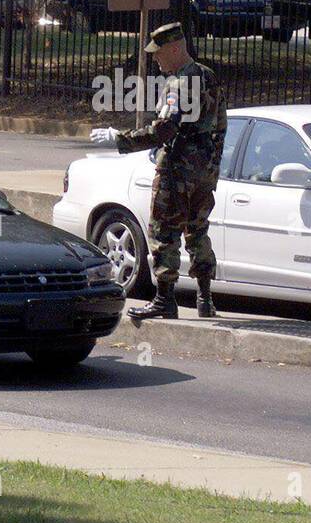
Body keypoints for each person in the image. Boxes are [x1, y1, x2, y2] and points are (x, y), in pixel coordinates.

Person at [90, 22, 227, 318]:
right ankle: (205, 299)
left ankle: (165, 300)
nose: (155, 58)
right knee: (198, 231)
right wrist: (211, 165)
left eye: (159, 52)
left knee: (164, 232)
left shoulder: (179, 83)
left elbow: (164, 130)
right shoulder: (207, 76)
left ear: (176, 48)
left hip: (176, 171)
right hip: (203, 172)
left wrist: (121, 139)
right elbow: (220, 127)